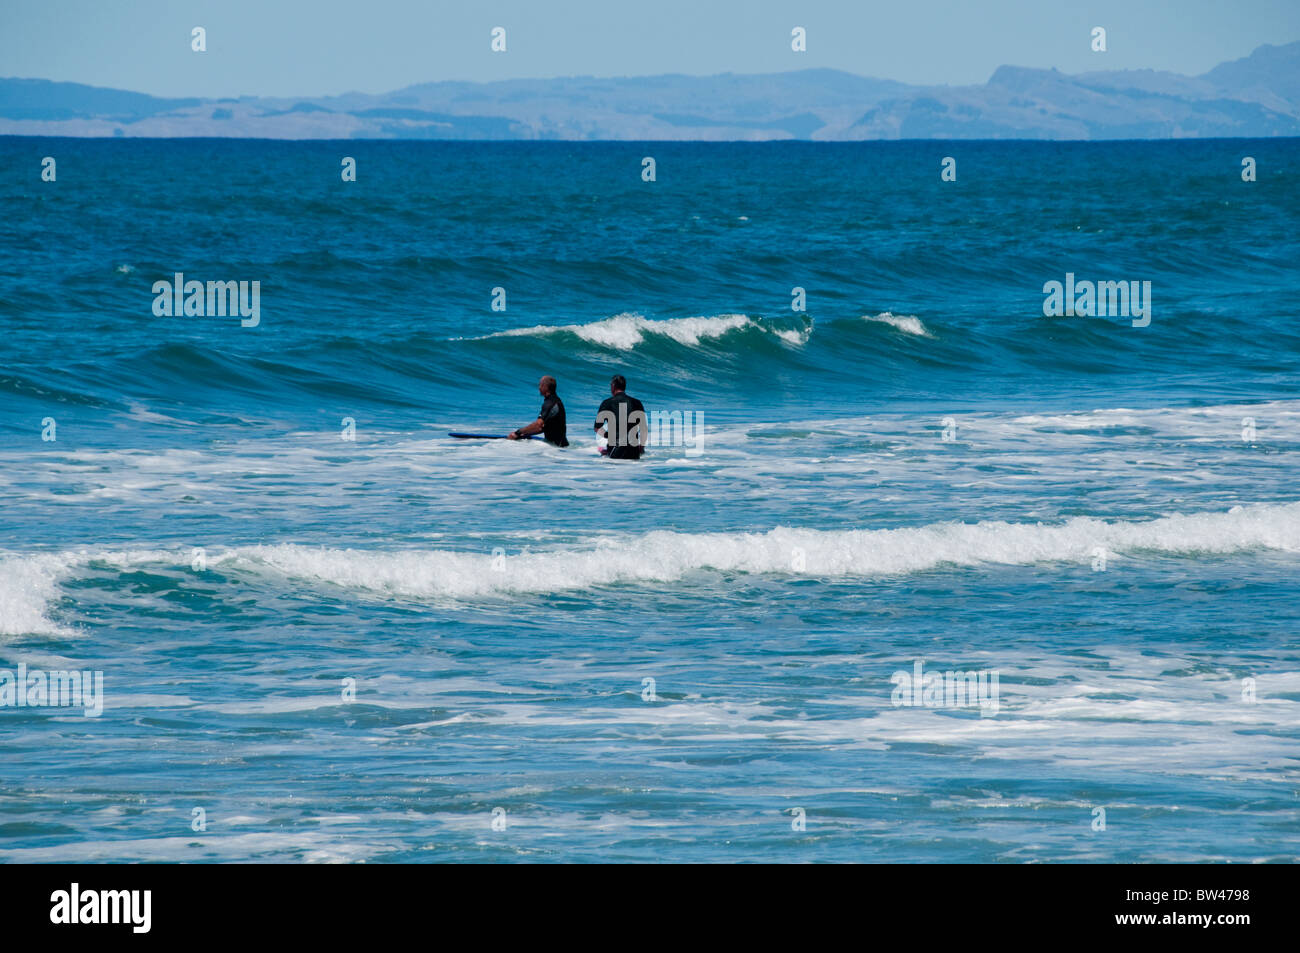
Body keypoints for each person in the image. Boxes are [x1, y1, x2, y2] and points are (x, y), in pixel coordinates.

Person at [594, 375, 647, 460]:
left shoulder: (607, 403)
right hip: (633, 451)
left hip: (616, 450)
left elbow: (597, 428)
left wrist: (610, 436)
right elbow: (644, 429)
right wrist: (641, 448)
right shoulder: (637, 403)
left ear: (613, 386)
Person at [508, 375, 569, 446]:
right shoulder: (555, 401)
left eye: (540, 385)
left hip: (557, 447)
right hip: (558, 446)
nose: (539, 388)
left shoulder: (550, 404)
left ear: (546, 387)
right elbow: (541, 428)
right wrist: (523, 434)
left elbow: (538, 425)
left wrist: (517, 433)